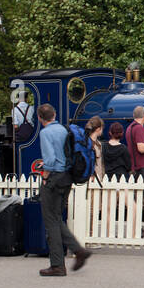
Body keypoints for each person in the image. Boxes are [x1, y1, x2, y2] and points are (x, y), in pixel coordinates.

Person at [36, 103, 90, 277]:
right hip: (67, 177)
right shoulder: (64, 129)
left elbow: (50, 160)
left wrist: (45, 175)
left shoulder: (45, 133)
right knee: (57, 218)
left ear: (39, 118)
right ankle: (78, 250)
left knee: (51, 221)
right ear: (54, 115)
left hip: (54, 178)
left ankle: (58, 265)